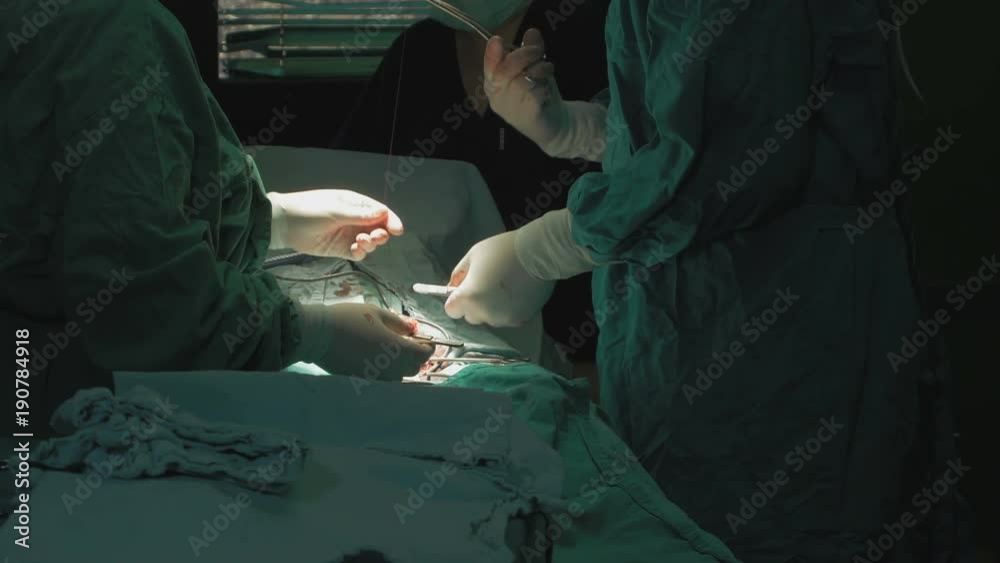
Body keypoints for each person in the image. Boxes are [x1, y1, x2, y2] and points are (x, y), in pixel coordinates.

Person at [444, 1, 943, 561]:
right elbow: (700, 108)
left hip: (774, 337)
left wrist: (548, 247)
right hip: (718, 325)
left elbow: (724, 164)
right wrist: (577, 127)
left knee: (763, 531)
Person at [0, 0, 432, 434]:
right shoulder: (116, 28)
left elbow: (81, 197)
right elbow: (147, 307)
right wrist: (308, 332)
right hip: (39, 410)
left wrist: (272, 218)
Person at [331, 0, 610, 370]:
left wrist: (546, 250)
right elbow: (346, 174)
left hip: (590, 349)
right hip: (446, 338)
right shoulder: (419, 51)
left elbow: (668, 181)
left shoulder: (591, 29)